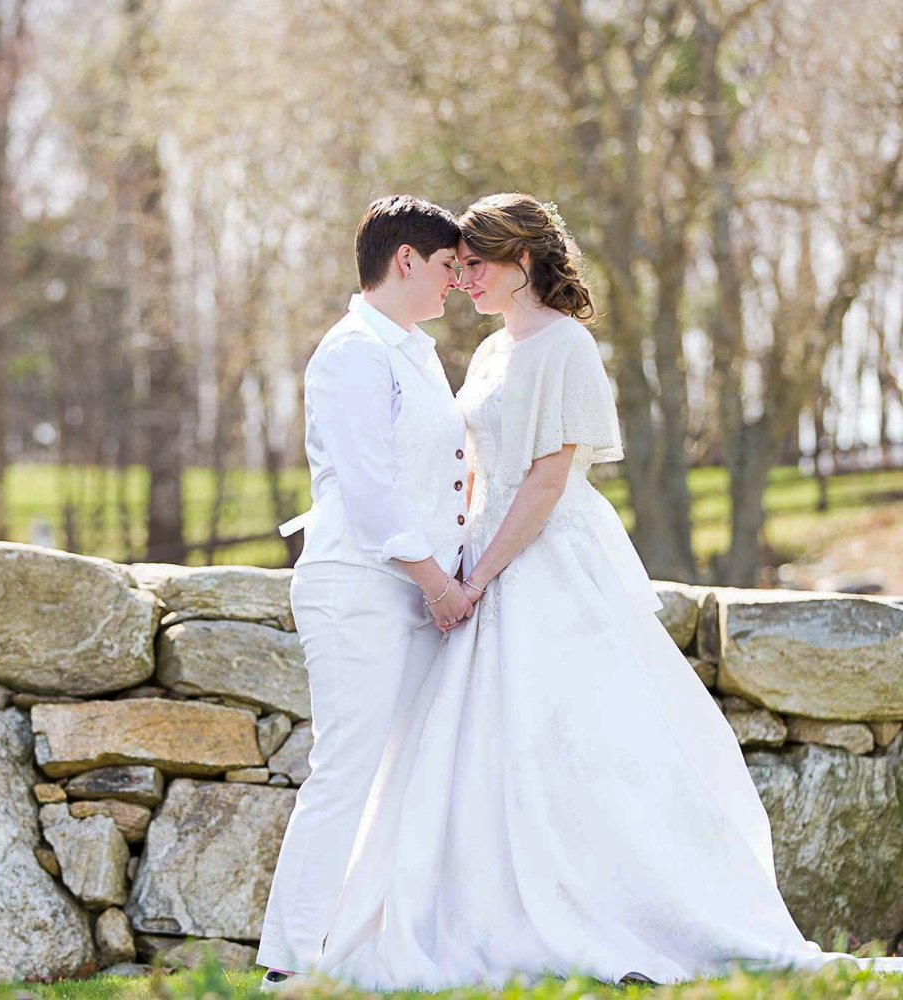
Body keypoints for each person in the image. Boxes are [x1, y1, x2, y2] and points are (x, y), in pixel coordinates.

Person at [312, 193, 903, 989]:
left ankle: (616, 909)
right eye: (458, 266)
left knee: (576, 737)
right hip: (480, 556)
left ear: (521, 261)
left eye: (476, 265)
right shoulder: (488, 354)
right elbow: (473, 468)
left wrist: (478, 577)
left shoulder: (567, 347)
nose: (463, 280)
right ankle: (479, 913)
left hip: (542, 560)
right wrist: (453, 564)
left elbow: (548, 480)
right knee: (476, 746)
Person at [256, 195, 473, 991]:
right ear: (405, 260)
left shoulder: (415, 350)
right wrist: (438, 584)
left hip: (414, 593)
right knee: (345, 769)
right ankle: (291, 960)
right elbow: (371, 489)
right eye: (448, 266)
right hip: (358, 589)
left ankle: (372, 948)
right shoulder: (351, 352)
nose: (457, 282)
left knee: (411, 772)